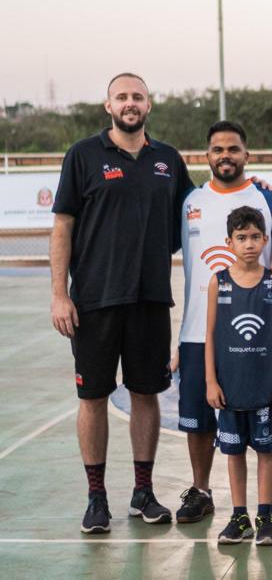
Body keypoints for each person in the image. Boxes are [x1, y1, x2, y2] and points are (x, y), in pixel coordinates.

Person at [50, 73, 193, 534]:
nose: (130, 104)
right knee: (92, 397)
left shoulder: (167, 160)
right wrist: (59, 294)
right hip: (93, 300)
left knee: (145, 394)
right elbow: (62, 228)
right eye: (122, 97)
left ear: (149, 104)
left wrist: (254, 190)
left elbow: (198, 213)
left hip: (150, 298)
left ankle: (143, 492)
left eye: (138, 96)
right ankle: (96, 498)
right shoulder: (83, 155)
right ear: (107, 105)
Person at [176, 121, 272, 525]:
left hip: (257, 334)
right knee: (199, 415)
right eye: (217, 149)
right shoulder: (191, 201)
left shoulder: (269, 201)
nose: (225, 156)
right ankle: (201, 490)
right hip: (201, 331)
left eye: (233, 149)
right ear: (206, 155)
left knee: (265, 412)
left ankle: (269, 491)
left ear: (247, 154)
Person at [204, 207, 272, 546]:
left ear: (265, 240)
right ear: (229, 242)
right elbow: (210, 334)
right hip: (230, 386)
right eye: (242, 238)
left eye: (255, 237)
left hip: (266, 387)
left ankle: (265, 516)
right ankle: (239, 516)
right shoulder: (218, 281)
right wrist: (211, 380)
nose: (249, 244)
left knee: (266, 451)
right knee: (234, 451)